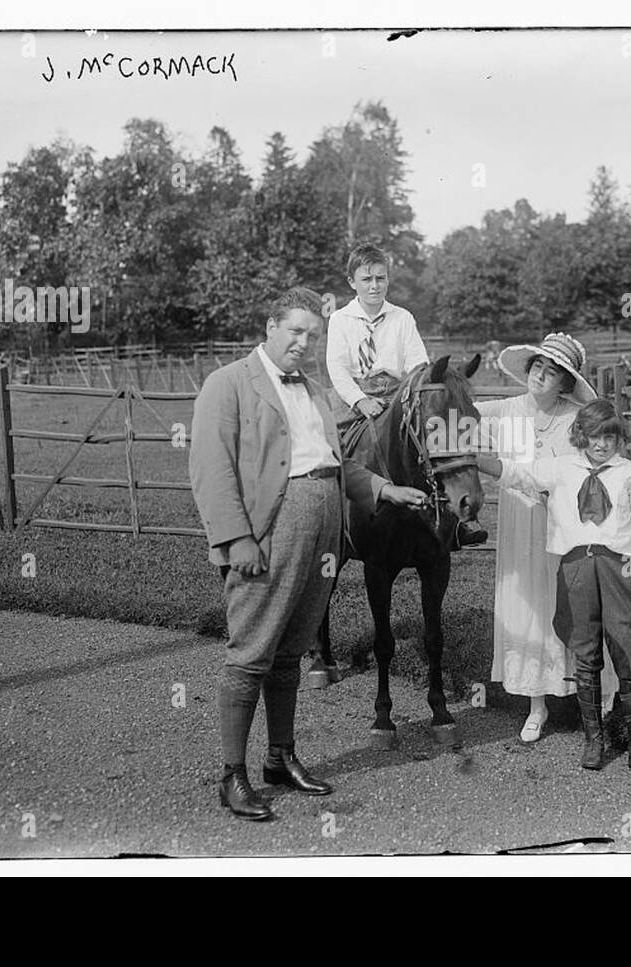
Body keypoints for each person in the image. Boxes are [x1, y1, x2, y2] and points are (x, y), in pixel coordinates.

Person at [190, 286, 430, 821]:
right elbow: (211, 472)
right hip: (270, 532)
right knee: (251, 650)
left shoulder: (319, 392)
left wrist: (388, 491)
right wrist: (237, 541)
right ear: (271, 327)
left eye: (313, 335)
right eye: (294, 331)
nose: (303, 342)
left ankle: (280, 757)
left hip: (324, 531)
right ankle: (233, 774)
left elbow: (339, 465)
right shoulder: (227, 385)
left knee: (290, 651)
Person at [476, 399, 631, 780]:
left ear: (621, 437)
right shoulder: (562, 468)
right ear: (582, 436)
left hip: (617, 567)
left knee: (627, 647)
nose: (602, 444)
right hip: (576, 567)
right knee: (585, 650)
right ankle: (593, 740)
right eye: (595, 436)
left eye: (610, 436)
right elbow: (517, 474)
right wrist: (472, 461)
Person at [474, 333, 618, 744]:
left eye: (552, 371)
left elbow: (602, 464)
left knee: (573, 604)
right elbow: (451, 416)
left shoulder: (576, 418)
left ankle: (599, 697)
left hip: (564, 527)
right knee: (528, 604)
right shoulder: (506, 410)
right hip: (520, 525)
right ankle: (536, 706)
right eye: (538, 366)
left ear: (565, 383)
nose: (541, 375)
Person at [325, 242, 430, 424]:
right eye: (366, 279)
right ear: (352, 282)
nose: (374, 286)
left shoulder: (402, 317)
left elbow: (418, 364)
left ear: (388, 279)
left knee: (424, 431)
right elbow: (338, 369)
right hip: (354, 393)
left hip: (396, 393)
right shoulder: (340, 319)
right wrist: (360, 400)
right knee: (330, 435)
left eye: (380, 278)